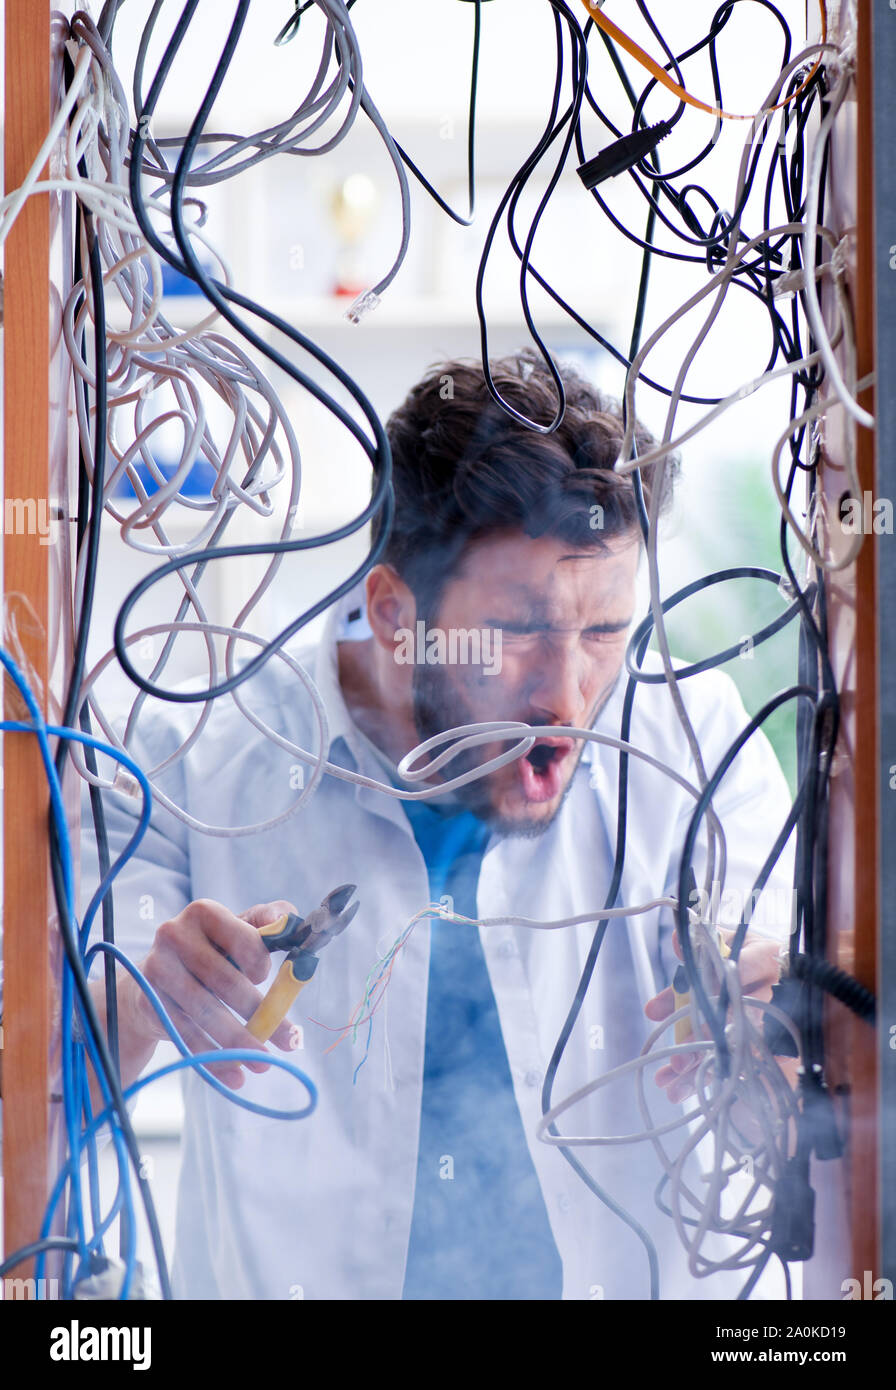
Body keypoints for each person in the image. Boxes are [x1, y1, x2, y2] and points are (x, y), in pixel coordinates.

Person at [83, 350, 793, 1300]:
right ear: (393, 614)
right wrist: (139, 1002)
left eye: (603, 632)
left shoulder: (699, 756)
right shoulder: (186, 759)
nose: (568, 699)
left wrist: (781, 1037)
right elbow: (47, 1090)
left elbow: (792, 1109)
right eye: (515, 632)